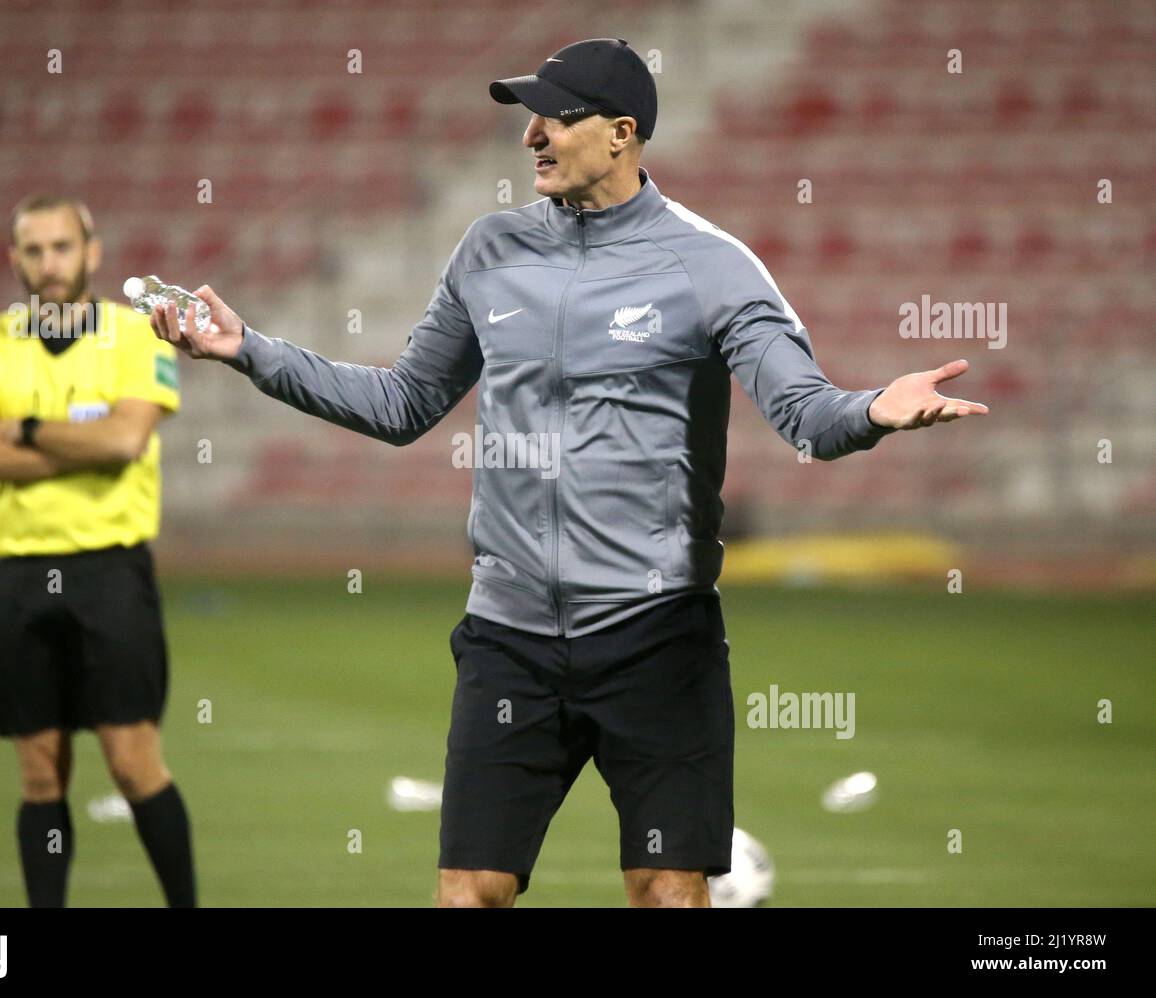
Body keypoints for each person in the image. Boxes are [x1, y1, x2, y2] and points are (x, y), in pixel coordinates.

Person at [150, 38, 987, 907]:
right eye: (528, 117)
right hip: (509, 638)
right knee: (469, 892)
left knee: (666, 890)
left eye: (556, 117)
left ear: (623, 134)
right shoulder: (489, 251)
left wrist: (872, 410)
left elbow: (803, 410)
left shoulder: (711, 266)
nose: (532, 136)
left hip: (655, 637)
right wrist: (252, 352)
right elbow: (403, 403)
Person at [0, 194, 196, 907]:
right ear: (14, 259)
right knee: (38, 775)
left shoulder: (136, 333)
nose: (49, 263)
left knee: (133, 763)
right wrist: (72, 443)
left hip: (111, 571)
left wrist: (20, 429)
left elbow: (124, 442)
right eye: (34, 250)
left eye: (62, 247)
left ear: (93, 254)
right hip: (21, 572)